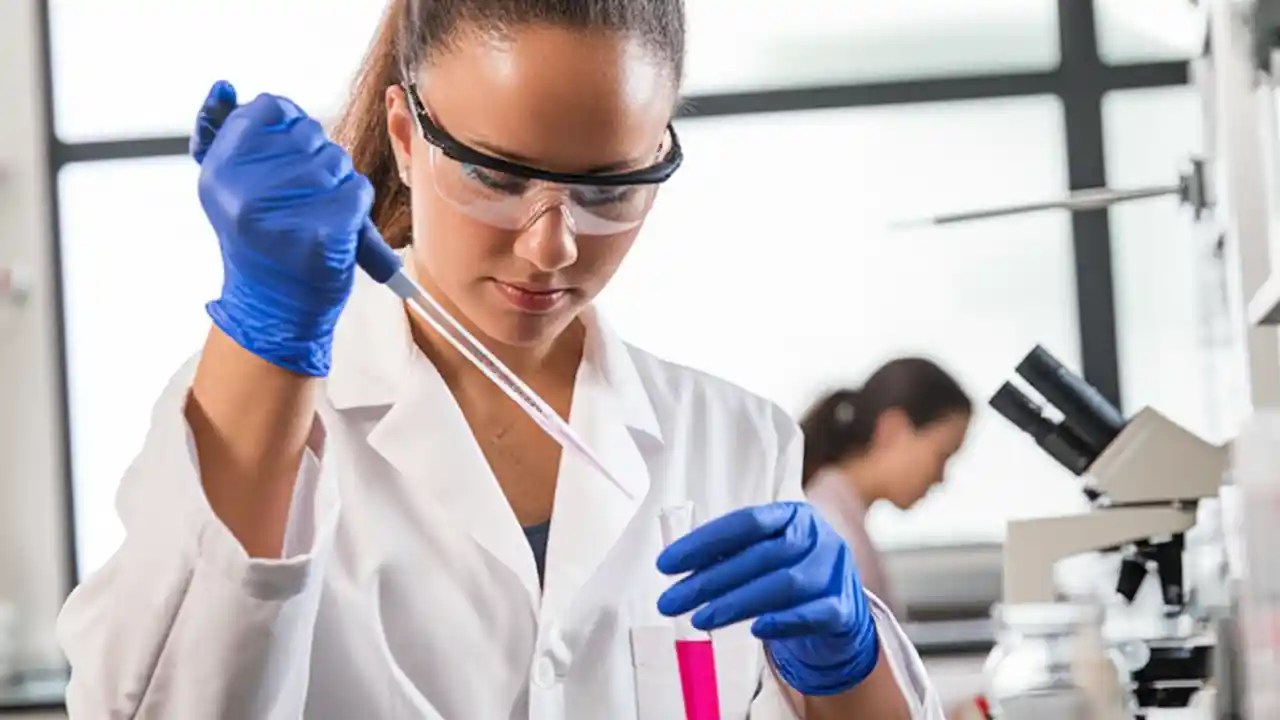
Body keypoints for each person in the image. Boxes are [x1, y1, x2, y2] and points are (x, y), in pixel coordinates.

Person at [56, 1, 945, 717]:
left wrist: (850, 671)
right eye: (499, 176)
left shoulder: (734, 444)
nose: (553, 245)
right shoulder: (277, 411)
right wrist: (267, 335)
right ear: (405, 137)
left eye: (609, 188)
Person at [800, 358, 973, 619]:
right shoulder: (833, 534)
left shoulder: (837, 516)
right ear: (893, 429)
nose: (941, 477)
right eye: (942, 455)